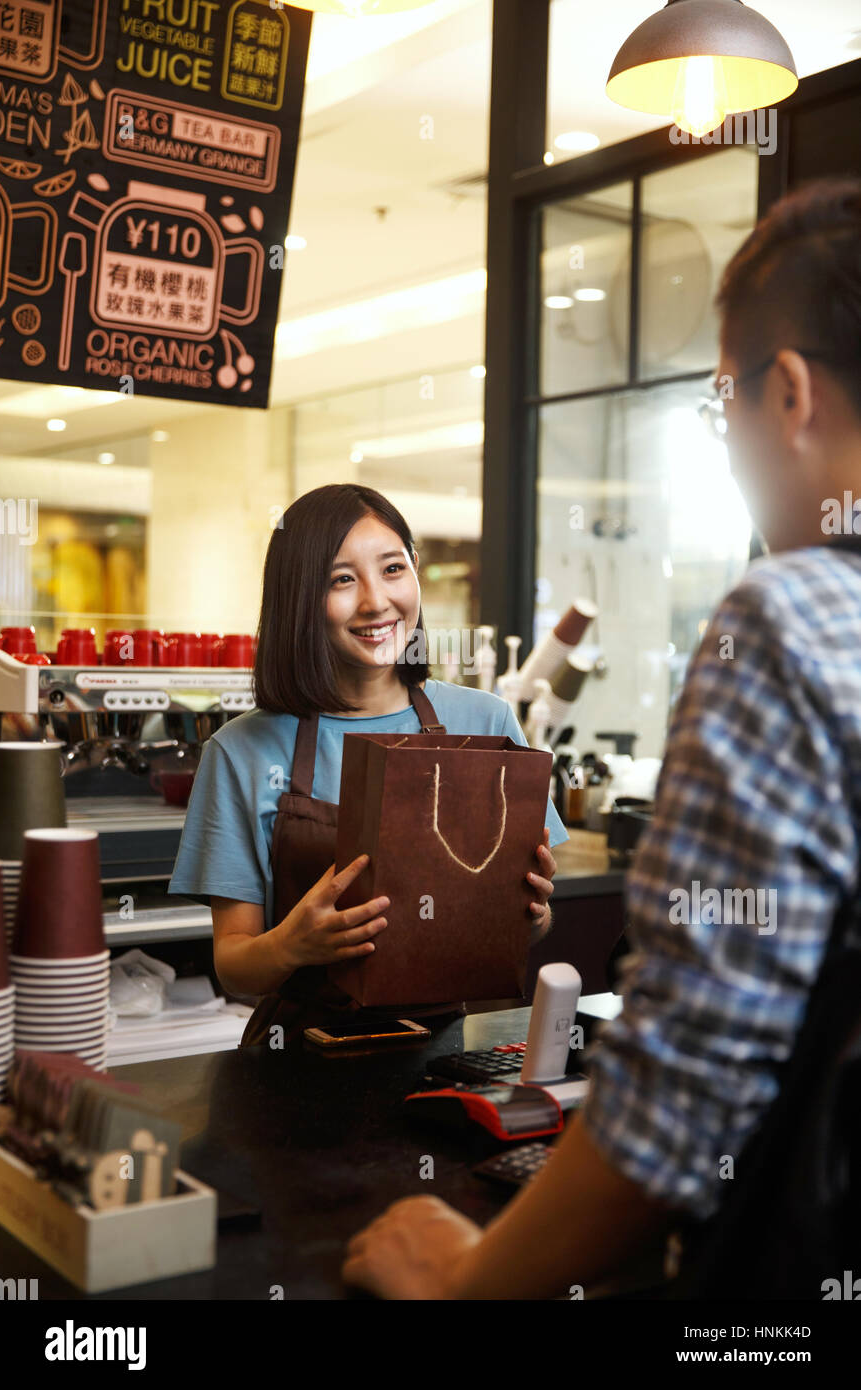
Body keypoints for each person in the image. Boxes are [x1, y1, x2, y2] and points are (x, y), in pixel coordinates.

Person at [342, 177, 861, 1298]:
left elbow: (679, 1103)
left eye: (720, 406)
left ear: (786, 392)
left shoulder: (790, 620)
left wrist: (465, 1283)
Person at [169, 483, 567, 1043]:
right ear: (299, 597)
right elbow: (233, 963)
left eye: (392, 569)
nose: (376, 602)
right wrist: (292, 945)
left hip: (446, 1051)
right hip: (298, 1059)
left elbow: (531, 928)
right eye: (342, 579)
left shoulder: (488, 723)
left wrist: (533, 914)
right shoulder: (241, 750)